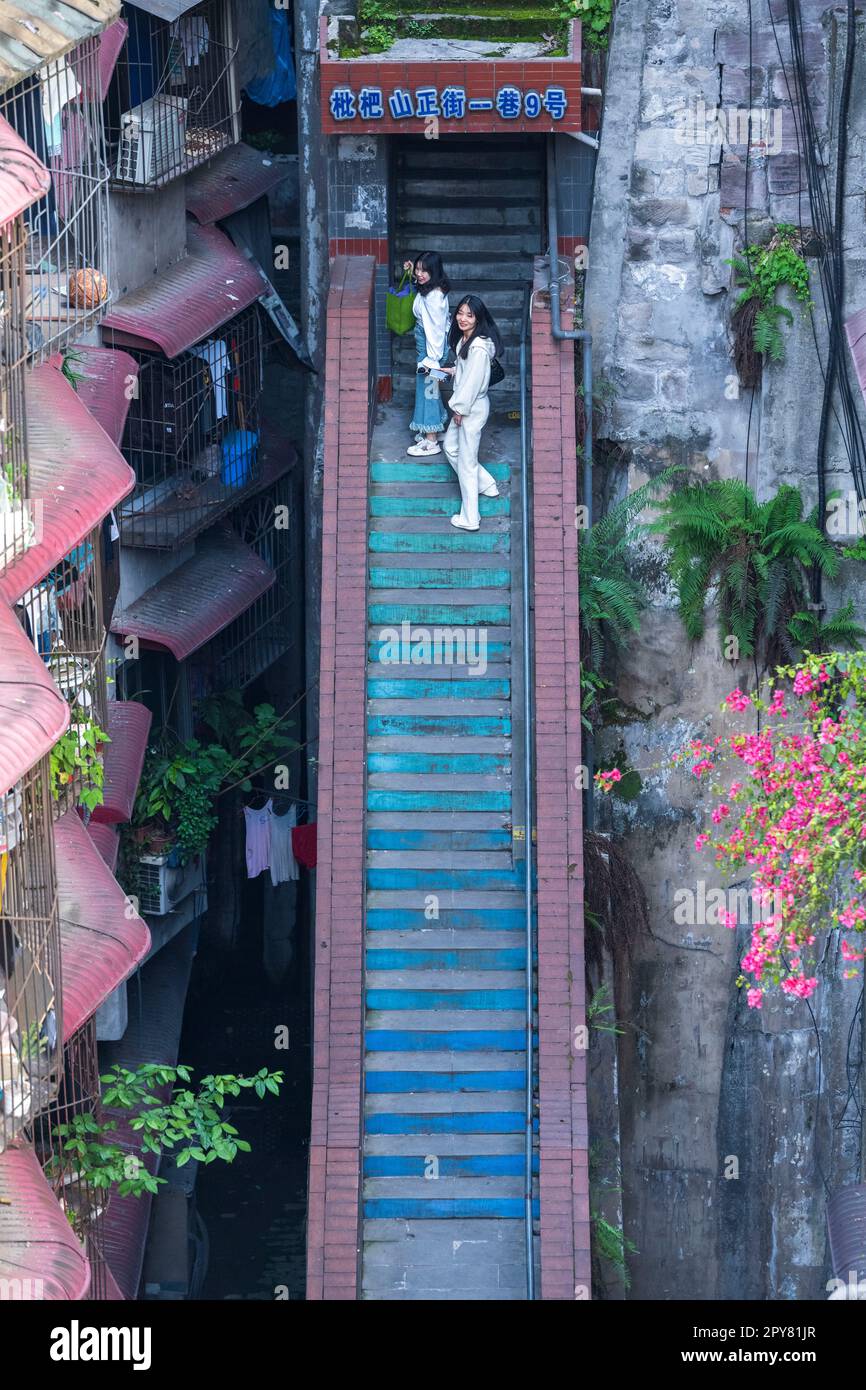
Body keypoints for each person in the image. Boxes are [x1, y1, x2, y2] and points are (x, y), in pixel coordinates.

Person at [441, 295, 503, 531]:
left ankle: (470, 517)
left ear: (478, 318)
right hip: (468, 405)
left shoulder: (478, 346)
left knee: (466, 463)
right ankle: (486, 483)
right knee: (450, 448)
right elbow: (468, 372)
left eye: (469, 315)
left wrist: (459, 410)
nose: (462, 318)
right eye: (460, 313)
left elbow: (474, 381)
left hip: (471, 408)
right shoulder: (468, 340)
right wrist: (452, 370)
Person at [404, 251, 450, 457]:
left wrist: (432, 361)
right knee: (430, 391)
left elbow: (437, 331)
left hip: (432, 351)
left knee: (428, 392)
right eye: (418, 269)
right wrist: (411, 273)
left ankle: (431, 441)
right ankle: (435, 429)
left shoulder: (434, 297)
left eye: (425, 270)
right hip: (428, 348)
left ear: (435, 271)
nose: (420, 274)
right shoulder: (429, 290)